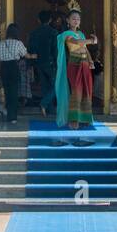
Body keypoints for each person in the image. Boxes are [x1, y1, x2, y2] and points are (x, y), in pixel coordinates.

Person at [54, 9, 98, 139]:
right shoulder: (66, 34)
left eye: (78, 19)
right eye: (73, 18)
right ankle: (74, 121)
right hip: (74, 65)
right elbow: (77, 43)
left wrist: (90, 61)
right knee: (76, 92)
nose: (76, 21)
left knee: (86, 91)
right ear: (67, 21)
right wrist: (92, 41)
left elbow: (85, 49)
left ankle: (85, 119)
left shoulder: (81, 34)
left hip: (84, 65)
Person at [0, 24, 36, 124]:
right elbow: (26, 55)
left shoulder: (0, 43)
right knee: (14, 92)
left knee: (7, 90)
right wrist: (34, 56)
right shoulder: (18, 43)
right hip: (13, 67)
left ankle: (7, 113)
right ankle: (12, 117)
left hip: (3, 67)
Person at [28, 10, 58, 116]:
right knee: (56, 86)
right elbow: (55, 50)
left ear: (38, 20)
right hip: (50, 63)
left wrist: (31, 63)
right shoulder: (53, 32)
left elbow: (31, 49)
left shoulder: (34, 33)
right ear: (50, 20)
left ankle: (49, 110)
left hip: (39, 63)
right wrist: (57, 62)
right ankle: (44, 104)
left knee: (45, 86)